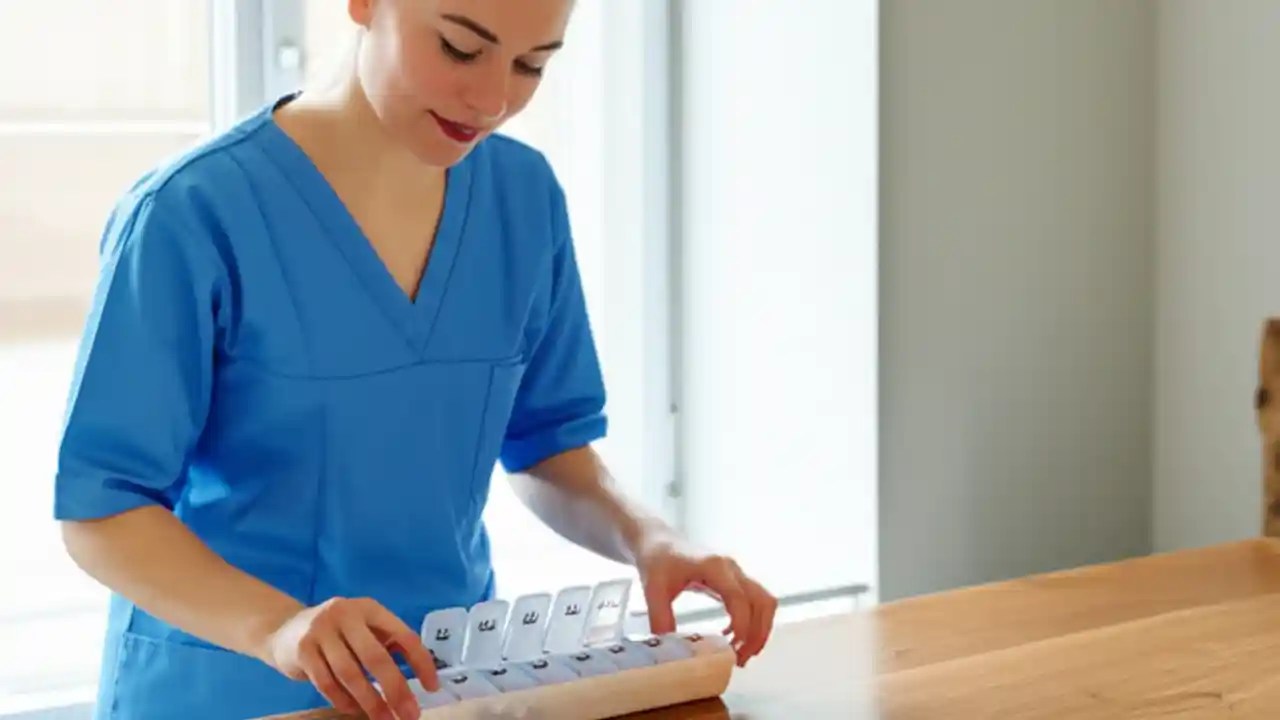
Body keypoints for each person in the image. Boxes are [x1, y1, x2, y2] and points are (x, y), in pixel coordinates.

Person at [52, 1, 776, 718]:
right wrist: (278, 627)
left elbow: (549, 446)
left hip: (443, 689)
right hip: (228, 694)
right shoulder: (190, 214)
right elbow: (103, 508)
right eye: (461, 48)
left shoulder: (523, 200)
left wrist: (650, 540)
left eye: (532, 65)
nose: (493, 100)